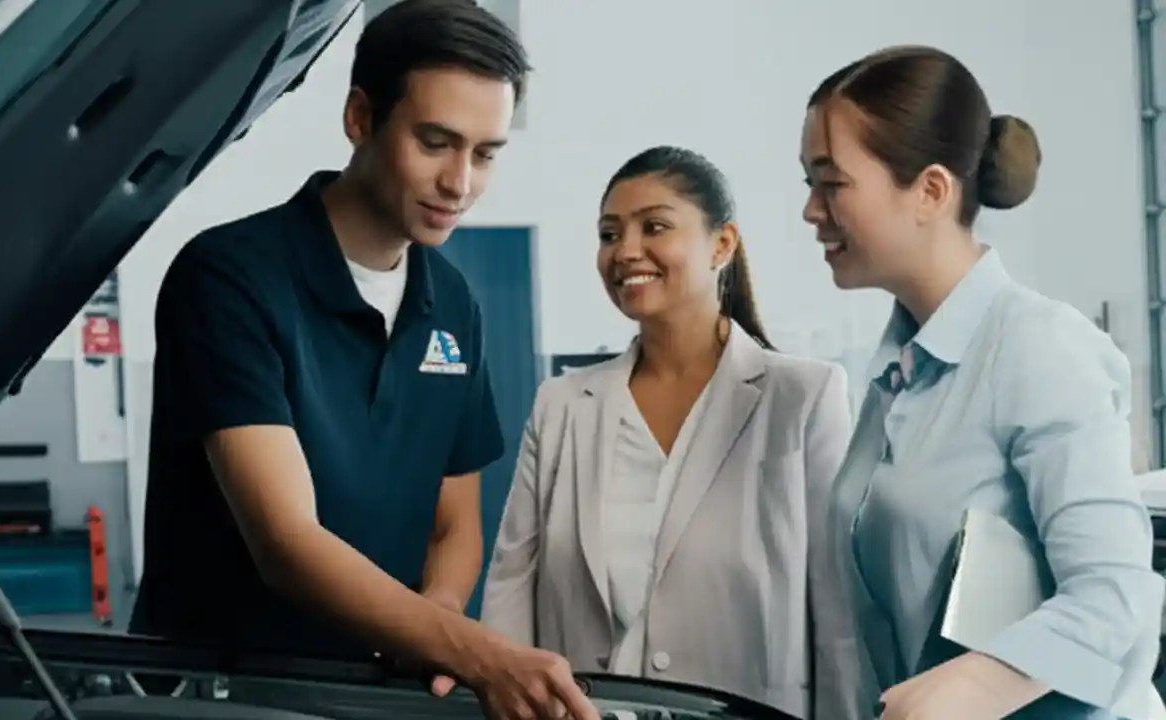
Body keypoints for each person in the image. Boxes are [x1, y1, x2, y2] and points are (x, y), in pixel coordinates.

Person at [129, 2, 599, 718]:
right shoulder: (229, 278)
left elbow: (453, 524)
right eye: (436, 142)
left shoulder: (454, 303)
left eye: (486, 154)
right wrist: (473, 651)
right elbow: (286, 542)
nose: (460, 182)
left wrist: (437, 618)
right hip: (225, 695)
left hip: (373, 697)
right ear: (359, 118)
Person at [801, 45, 1166, 719]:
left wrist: (970, 686)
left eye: (832, 183)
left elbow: (1116, 601)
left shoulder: (1038, 349)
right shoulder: (898, 370)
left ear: (932, 191)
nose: (810, 211)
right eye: (808, 183)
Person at [480, 145, 863, 719]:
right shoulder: (562, 405)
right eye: (609, 234)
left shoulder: (802, 398)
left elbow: (839, 621)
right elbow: (511, 592)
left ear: (722, 244)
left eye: (654, 226)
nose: (625, 251)